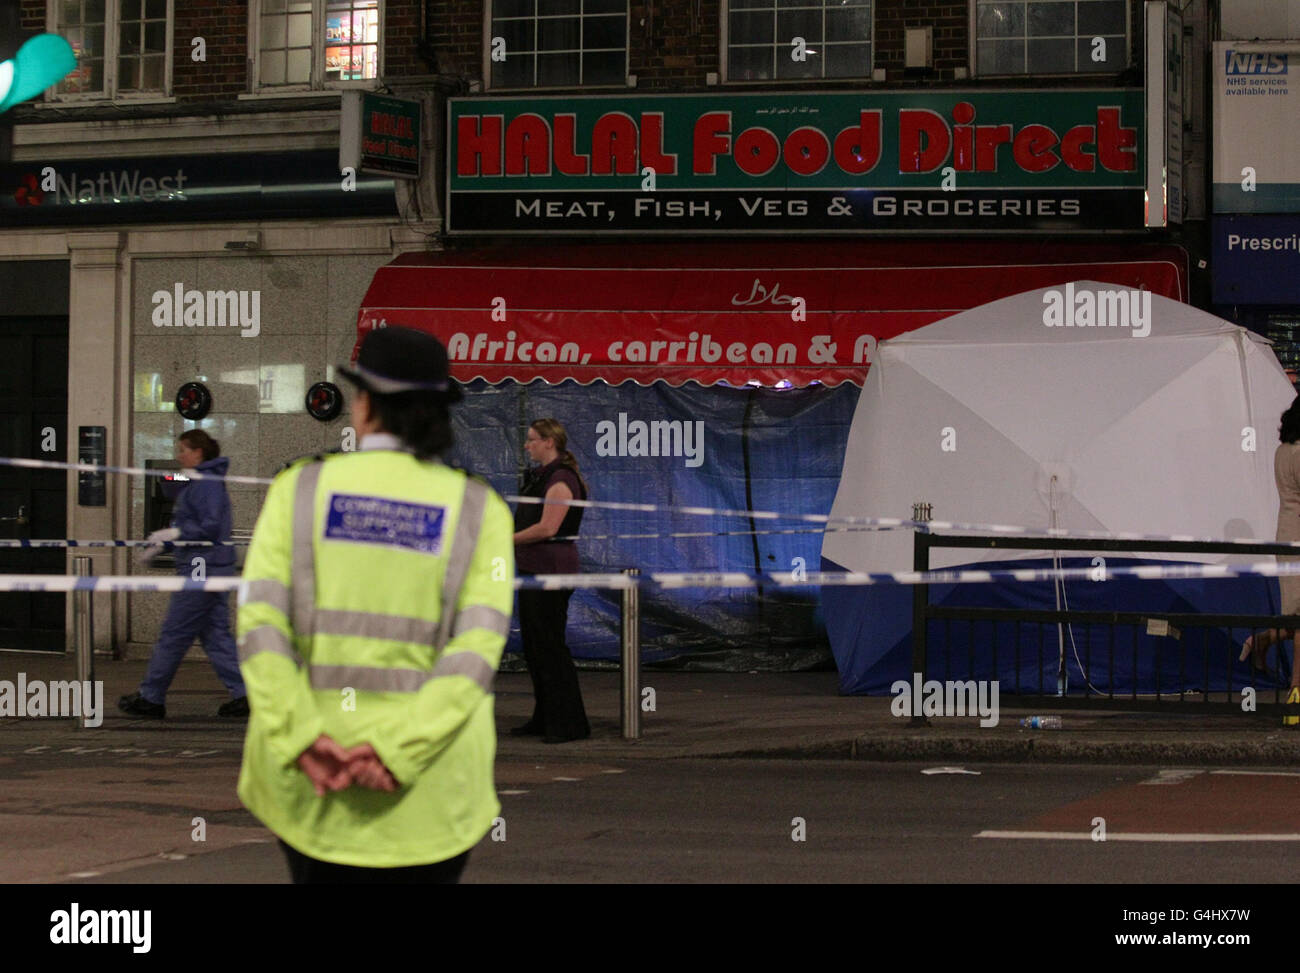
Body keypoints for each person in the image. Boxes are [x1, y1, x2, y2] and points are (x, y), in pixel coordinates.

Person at [235, 325, 514, 883]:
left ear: (363, 405)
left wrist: (301, 740)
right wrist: (397, 752)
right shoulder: (481, 510)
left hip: (310, 786)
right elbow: (476, 653)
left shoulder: (300, 488)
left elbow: (259, 625)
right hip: (430, 795)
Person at [119, 429, 247, 719]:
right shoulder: (202, 481)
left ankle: (151, 696)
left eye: (183, 450)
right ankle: (245, 692)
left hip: (201, 567)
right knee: (215, 636)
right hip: (211, 566)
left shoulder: (206, 482)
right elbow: (171, 491)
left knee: (174, 633)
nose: (178, 456)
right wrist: (167, 537)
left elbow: (210, 525)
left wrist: (176, 532)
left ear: (198, 452)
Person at [512, 418, 591, 743]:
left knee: (550, 647)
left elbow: (548, 528)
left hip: (552, 570)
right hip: (535, 569)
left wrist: (506, 539)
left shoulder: (560, 480)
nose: (527, 445)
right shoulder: (542, 477)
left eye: (532, 440)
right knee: (535, 646)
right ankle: (544, 717)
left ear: (549, 442)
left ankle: (568, 724)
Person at [1241, 396, 1300, 725]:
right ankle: (1296, 691)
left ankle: (1260, 640)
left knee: (1295, 615)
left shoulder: (1282, 452)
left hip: (1287, 534)